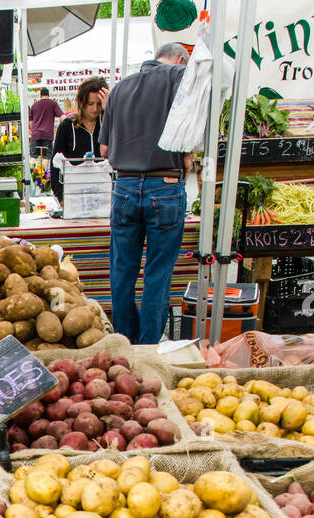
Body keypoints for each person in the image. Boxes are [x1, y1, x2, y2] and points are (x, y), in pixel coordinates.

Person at [99, 42, 193, 345]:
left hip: (124, 187)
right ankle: (149, 346)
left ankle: (124, 342)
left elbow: (104, 150)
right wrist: (188, 157)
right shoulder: (180, 75)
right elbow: (190, 128)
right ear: (180, 59)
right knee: (158, 272)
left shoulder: (120, 88)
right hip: (164, 184)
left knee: (122, 271)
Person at [50, 77, 108, 204]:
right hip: (74, 197)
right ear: (81, 102)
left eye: (99, 104)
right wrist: (61, 197)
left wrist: (109, 110)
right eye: (90, 104)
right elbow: (55, 165)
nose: (95, 109)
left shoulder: (108, 123)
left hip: (105, 196)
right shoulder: (67, 126)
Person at [28, 87, 63, 161]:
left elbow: (30, 122)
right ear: (48, 94)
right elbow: (62, 117)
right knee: (46, 158)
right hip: (47, 135)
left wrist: (33, 130)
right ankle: (44, 172)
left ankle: (33, 172)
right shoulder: (53, 104)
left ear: (40, 95)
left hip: (35, 135)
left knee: (33, 157)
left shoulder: (34, 105)